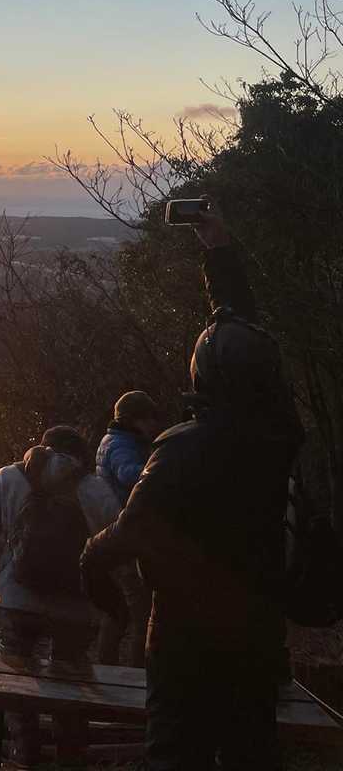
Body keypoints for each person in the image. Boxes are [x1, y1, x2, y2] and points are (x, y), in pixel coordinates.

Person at [83, 211, 302, 771]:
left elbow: (133, 529)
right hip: (258, 633)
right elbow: (245, 348)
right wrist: (220, 255)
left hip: (186, 635)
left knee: (177, 752)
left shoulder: (181, 447)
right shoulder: (279, 439)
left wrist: (92, 555)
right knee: (251, 750)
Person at [0, 425, 130, 766]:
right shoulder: (95, 488)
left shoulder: (8, 477)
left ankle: (25, 748)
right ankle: (70, 752)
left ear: (42, 448)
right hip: (77, 604)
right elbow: (117, 543)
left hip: (16, 599)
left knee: (16, 674)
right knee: (73, 678)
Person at [94, 389, 160, 668]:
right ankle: (135, 677)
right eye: (149, 419)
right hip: (127, 534)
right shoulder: (122, 445)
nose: (154, 425)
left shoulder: (112, 440)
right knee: (141, 614)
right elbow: (127, 473)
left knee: (118, 609)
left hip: (114, 530)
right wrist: (155, 471)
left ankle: (106, 667)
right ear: (135, 420)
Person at [96, 390, 160, 504]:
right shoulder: (119, 444)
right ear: (128, 421)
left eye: (153, 418)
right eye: (145, 419)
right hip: (125, 506)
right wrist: (157, 469)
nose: (152, 423)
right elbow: (126, 474)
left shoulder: (123, 439)